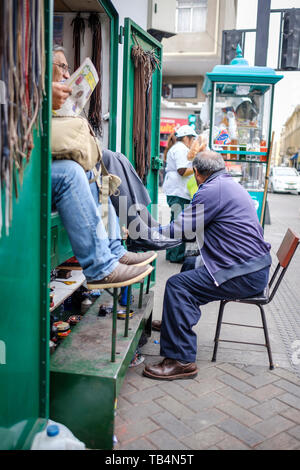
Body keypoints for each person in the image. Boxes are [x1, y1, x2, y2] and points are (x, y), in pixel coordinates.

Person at [144, 150, 272, 380]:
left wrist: (145, 235)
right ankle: (174, 326)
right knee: (190, 264)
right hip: (253, 267)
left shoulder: (212, 191)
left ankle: (181, 360)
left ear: (196, 173)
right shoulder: (226, 184)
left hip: (244, 273)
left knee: (177, 286)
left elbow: (182, 229)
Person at [51, 45, 157, 288]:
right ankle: (101, 267)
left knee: (96, 171)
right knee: (72, 173)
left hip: (41, 166)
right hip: (26, 171)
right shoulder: (26, 90)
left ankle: (115, 250)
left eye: (68, 68)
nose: (67, 74)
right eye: (62, 67)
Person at [162, 125, 197, 263]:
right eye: (192, 138)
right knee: (180, 224)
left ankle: (172, 254)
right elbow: (182, 171)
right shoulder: (180, 149)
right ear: (186, 138)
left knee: (175, 222)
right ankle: (176, 256)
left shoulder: (179, 148)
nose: (193, 141)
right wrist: (197, 168)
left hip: (178, 191)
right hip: (178, 192)